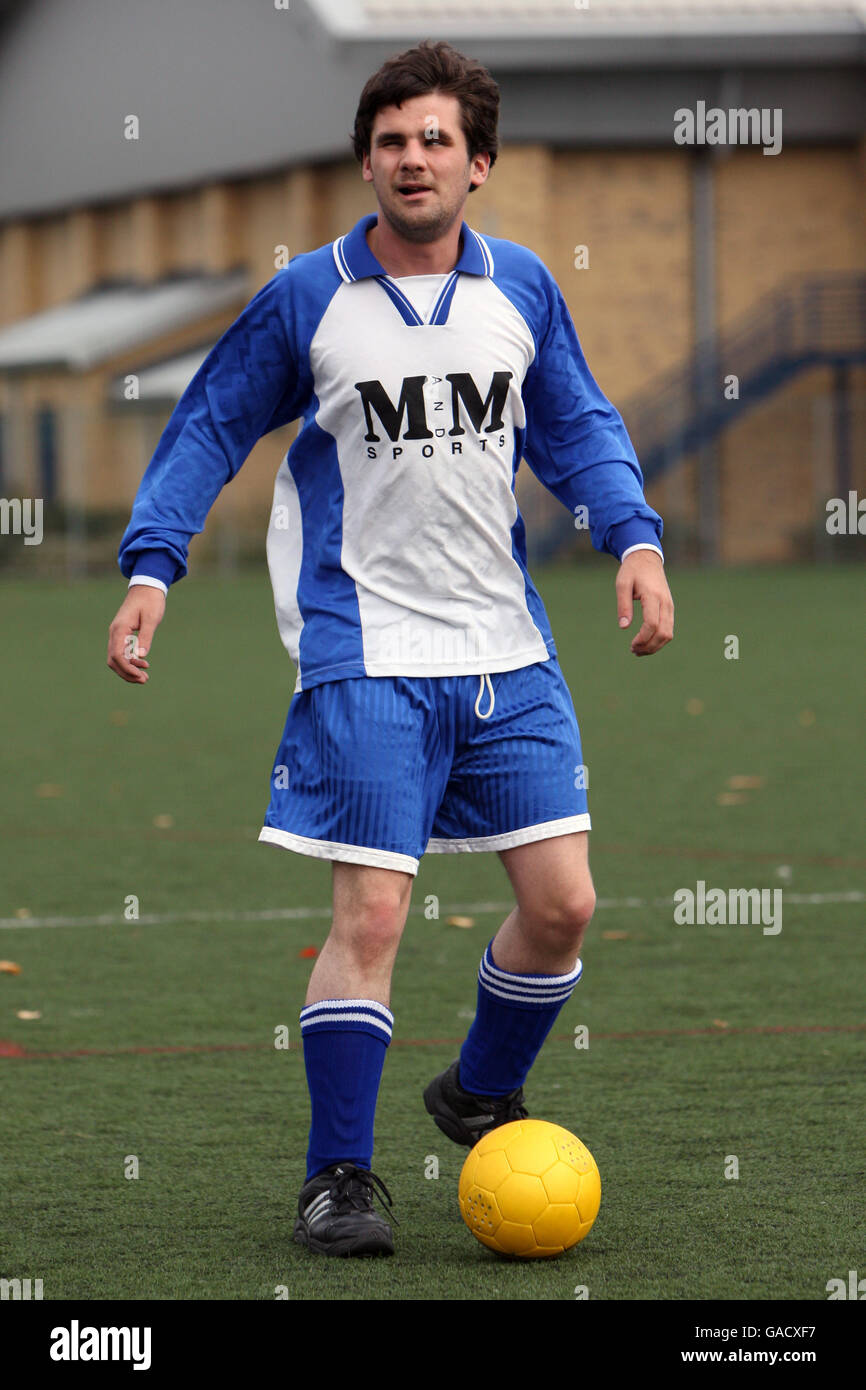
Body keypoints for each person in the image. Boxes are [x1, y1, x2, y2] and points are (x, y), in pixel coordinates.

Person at [108, 39, 674, 1259]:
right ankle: (339, 1178)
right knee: (371, 915)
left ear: (478, 164)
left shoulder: (520, 286)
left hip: (505, 649)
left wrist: (632, 537)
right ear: (364, 160)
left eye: (433, 140)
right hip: (362, 650)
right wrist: (153, 562)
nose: (409, 159)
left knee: (564, 904)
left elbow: (574, 423)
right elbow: (208, 425)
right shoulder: (306, 297)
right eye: (388, 140)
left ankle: (476, 1090)